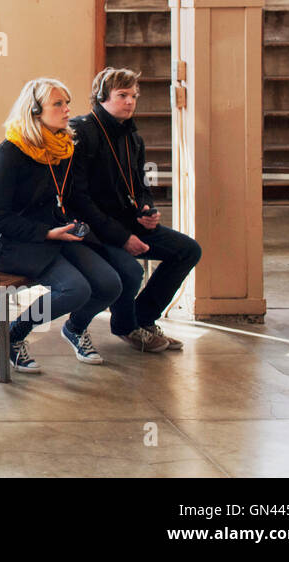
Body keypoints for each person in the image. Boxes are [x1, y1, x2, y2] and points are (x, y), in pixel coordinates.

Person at [0, 77, 144, 372]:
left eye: (67, 102)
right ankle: (13, 334)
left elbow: (66, 197)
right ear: (35, 111)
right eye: (58, 103)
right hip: (16, 241)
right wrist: (46, 232)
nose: (67, 109)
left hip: (56, 232)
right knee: (75, 290)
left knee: (111, 284)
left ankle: (75, 327)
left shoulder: (62, 148)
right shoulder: (10, 153)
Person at [69, 67, 202, 352]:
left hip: (129, 222)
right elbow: (78, 200)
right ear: (102, 96)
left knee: (188, 250)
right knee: (130, 272)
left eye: (134, 96)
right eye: (122, 95)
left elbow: (140, 184)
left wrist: (147, 209)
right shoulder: (82, 132)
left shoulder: (132, 137)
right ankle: (126, 327)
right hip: (94, 229)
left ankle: (143, 319)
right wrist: (121, 237)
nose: (130, 101)